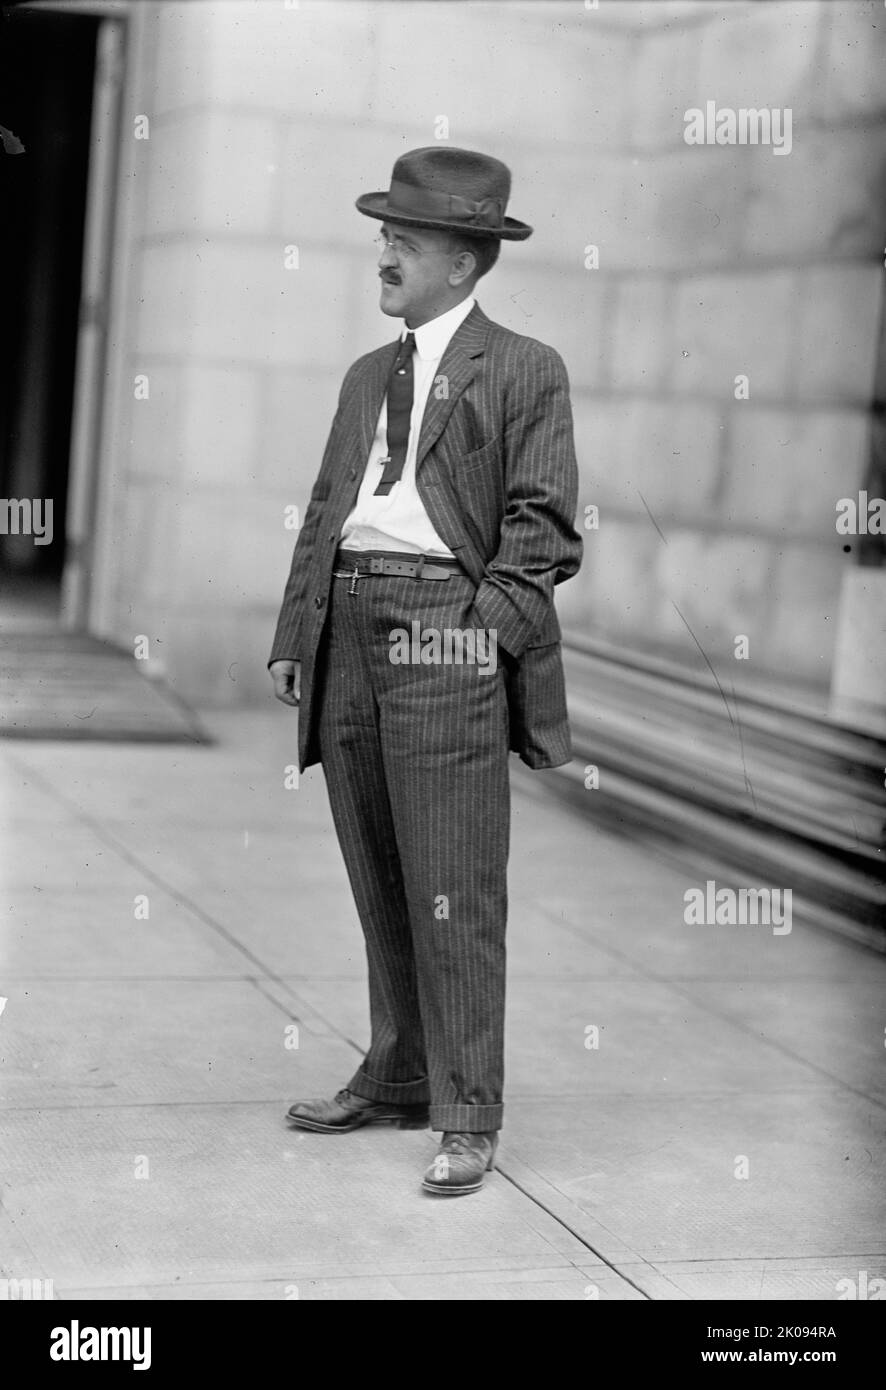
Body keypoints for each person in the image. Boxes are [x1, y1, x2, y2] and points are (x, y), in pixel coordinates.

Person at [269, 146, 582, 1195]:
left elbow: (541, 531)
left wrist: (477, 634)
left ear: (463, 256)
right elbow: (326, 509)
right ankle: (398, 1070)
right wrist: (293, 634)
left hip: (442, 629)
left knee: (454, 883)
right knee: (381, 871)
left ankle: (468, 1111)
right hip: (347, 622)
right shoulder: (369, 375)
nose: (383, 253)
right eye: (384, 234)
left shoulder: (525, 368)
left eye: (402, 239)